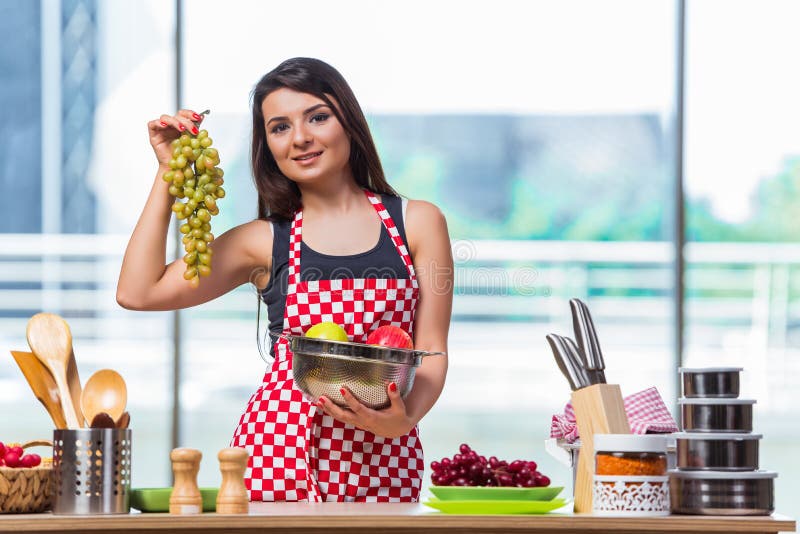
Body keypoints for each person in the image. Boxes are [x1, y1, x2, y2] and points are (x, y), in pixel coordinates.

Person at [116, 57, 453, 502]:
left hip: (384, 455)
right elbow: (138, 292)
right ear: (268, 146)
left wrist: (405, 420)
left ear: (349, 122)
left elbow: (433, 351)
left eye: (318, 117)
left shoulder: (419, 223)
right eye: (279, 127)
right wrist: (168, 170)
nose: (300, 138)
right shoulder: (261, 241)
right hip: (277, 455)